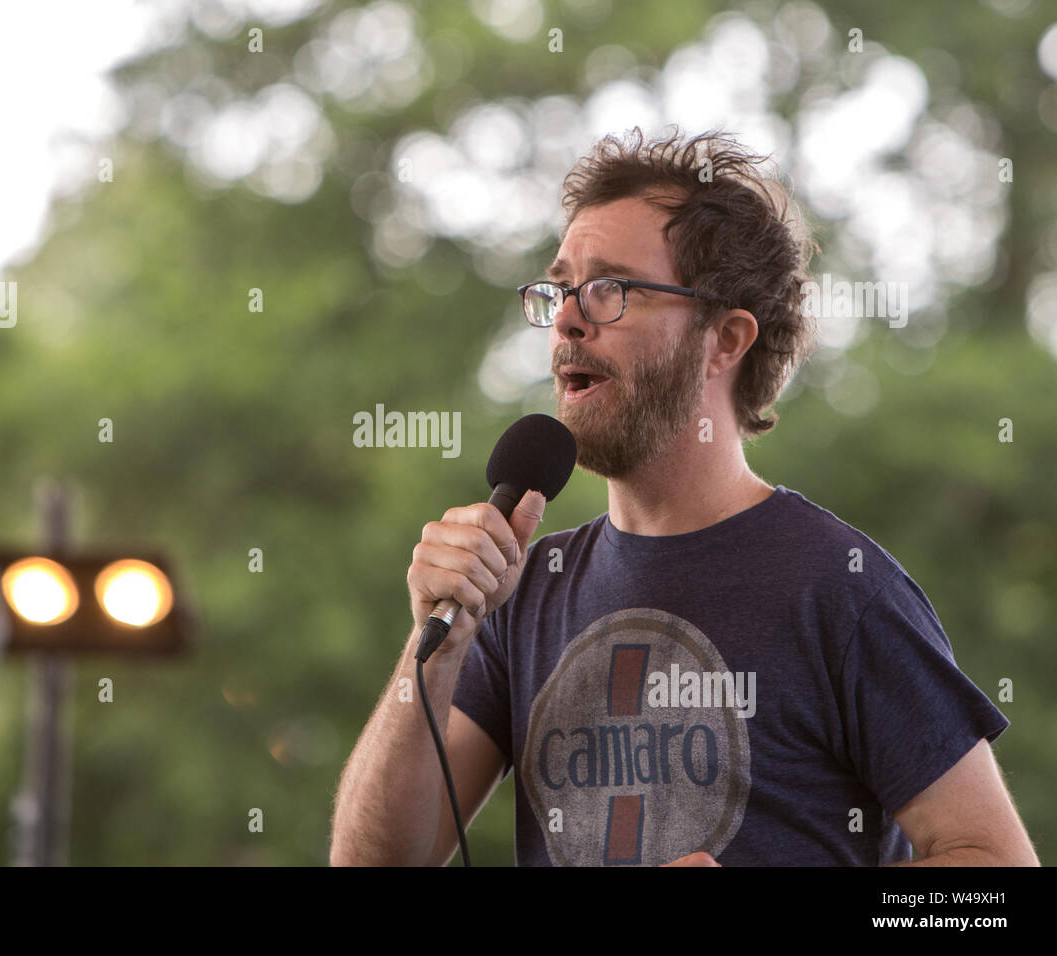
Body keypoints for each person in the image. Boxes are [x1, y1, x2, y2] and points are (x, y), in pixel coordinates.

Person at [329, 128, 1039, 867]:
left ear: (725, 340)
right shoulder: (522, 592)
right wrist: (434, 649)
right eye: (561, 288)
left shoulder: (841, 589)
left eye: (611, 289)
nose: (569, 317)